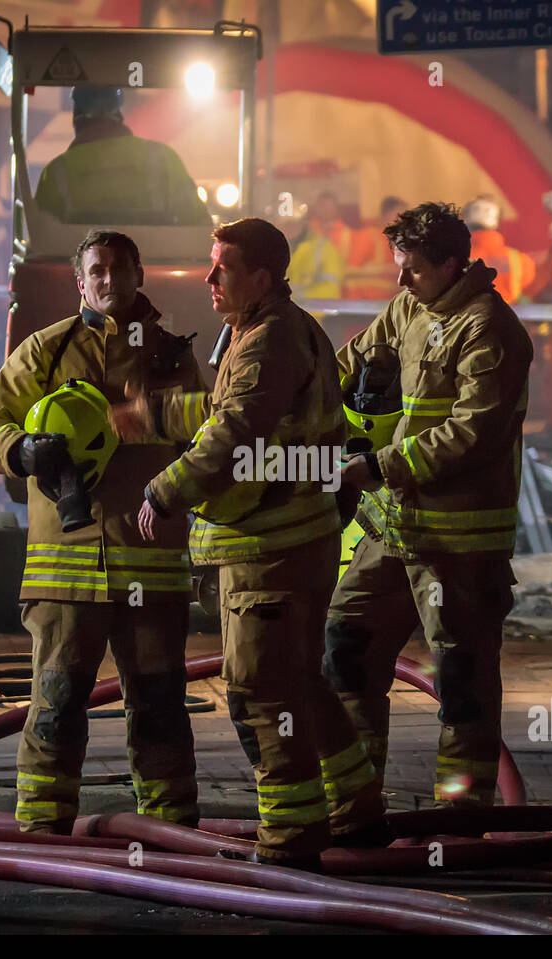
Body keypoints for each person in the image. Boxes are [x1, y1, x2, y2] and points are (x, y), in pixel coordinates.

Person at [112, 218, 389, 870]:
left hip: (271, 547)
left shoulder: (268, 340)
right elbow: (222, 408)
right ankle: (356, 808)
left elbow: (235, 429)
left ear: (260, 278)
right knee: (298, 679)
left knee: (261, 691)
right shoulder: (271, 330)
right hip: (296, 537)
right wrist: (152, 415)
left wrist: (164, 491)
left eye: (222, 268)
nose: (208, 278)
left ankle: (292, 838)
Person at [0, 230, 207, 833]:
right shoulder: (44, 351)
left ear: (137, 275)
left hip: (149, 564)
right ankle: (43, 833)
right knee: (56, 705)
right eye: (95, 271)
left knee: (159, 707)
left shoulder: (170, 353)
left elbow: (206, 428)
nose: (107, 280)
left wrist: (141, 420)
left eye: (117, 269)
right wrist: (19, 450)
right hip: (63, 569)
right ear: (80, 283)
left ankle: (170, 832)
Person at [324, 202, 533, 809]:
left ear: (449, 263)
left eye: (412, 269)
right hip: (393, 533)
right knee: (346, 645)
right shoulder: (410, 309)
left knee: (461, 681)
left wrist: (379, 466)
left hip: (460, 547)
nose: (400, 280)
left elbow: (474, 430)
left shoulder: (489, 328)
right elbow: (354, 362)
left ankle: (461, 816)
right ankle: (355, 802)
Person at [34, 85, 209, 226]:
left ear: (76, 117)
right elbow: (198, 224)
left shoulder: (57, 171)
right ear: (118, 114)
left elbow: (41, 238)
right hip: (154, 266)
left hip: (85, 268)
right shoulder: (162, 157)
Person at [463, 196, 536, 304]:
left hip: (467, 318)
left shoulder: (451, 259)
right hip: (506, 318)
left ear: (464, 221)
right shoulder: (521, 261)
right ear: (497, 221)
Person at [344, 195, 406, 301]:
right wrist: (385, 269)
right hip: (362, 303)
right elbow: (349, 270)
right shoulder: (368, 236)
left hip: (386, 304)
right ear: (385, 215)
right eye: (398, 215)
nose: (402, 221)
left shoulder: (399, 244)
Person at [283, 210, 344, 301]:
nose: (289, 228)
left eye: (292, 224)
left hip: (315, 313)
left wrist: (297, 297)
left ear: (304, 224)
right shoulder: (277, 248)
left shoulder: (324, 248)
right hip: (288, 311)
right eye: (285, 224)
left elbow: (331, 291)